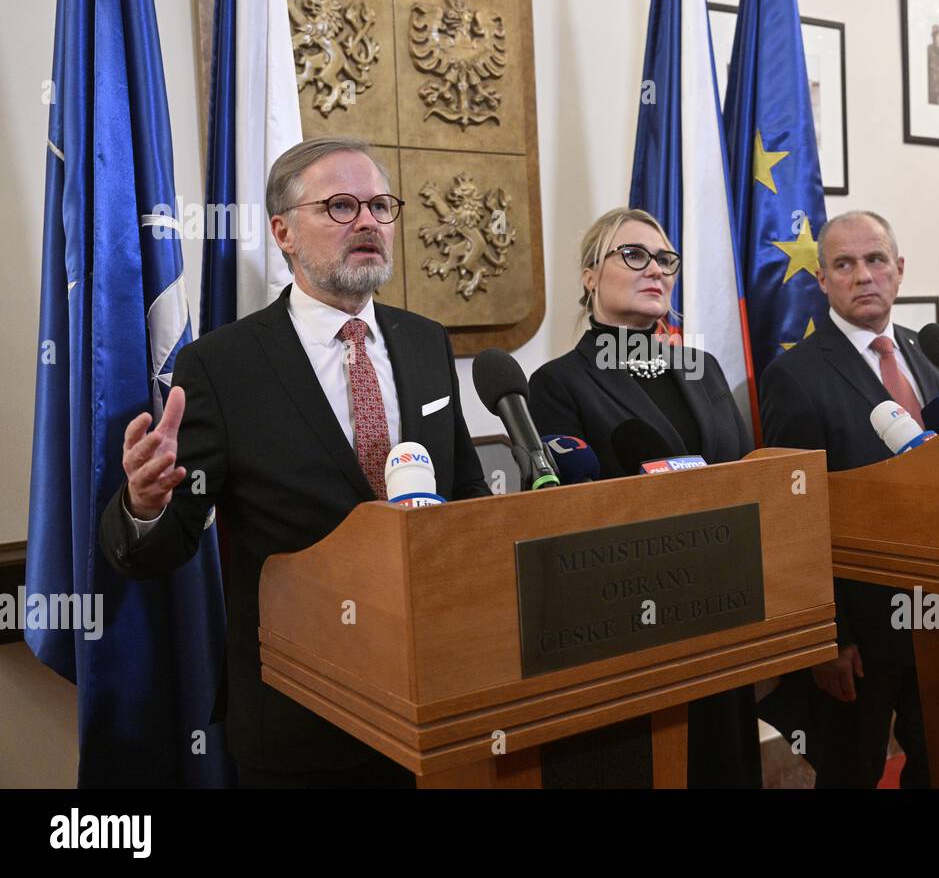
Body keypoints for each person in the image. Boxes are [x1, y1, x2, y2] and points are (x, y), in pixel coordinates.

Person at [98, 136, 490, 788]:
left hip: (439, 702)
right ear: (283, 231)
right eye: (340, 206)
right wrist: (143, 503)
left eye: (380, 206)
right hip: (303, 722)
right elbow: (162, 549)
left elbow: (466, 490)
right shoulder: (223, 367)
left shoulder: (425, 342)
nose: (368, 222)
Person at [527, 207, 760, 788]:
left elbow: (741, 476)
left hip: (724, 605)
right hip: (634, 623)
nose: (655, 269)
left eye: (665, 259)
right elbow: (573, 511)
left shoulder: (700, 367)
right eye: (633, 255)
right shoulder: (558, 382)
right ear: (589, 275)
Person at [759, 210, 939, 789]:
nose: (863, 275)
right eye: (844, 264)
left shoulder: (933, 356)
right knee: (851, 772)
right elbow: (794, 516)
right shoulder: (794, 376)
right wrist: (829, 635)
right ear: (822, 281)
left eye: (875, 260)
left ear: (899, 271)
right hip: (860, 632)